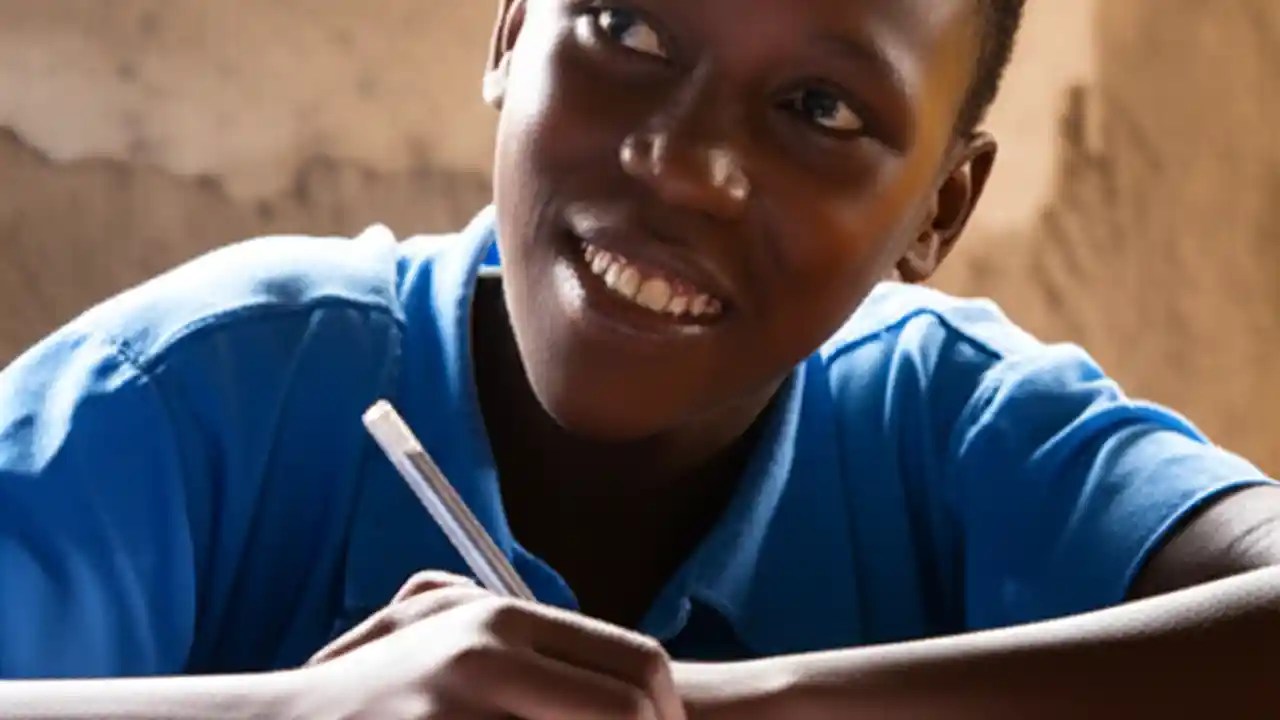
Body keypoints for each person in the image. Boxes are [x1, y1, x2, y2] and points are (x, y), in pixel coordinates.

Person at [0, 0, 1276, 717]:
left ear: (936, 211)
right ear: (510, 32)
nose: (679, 163)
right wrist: (287, 717)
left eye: (819, 110)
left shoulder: (950, 427)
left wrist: (720, 706)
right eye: (627, 27)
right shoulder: (199, 391)